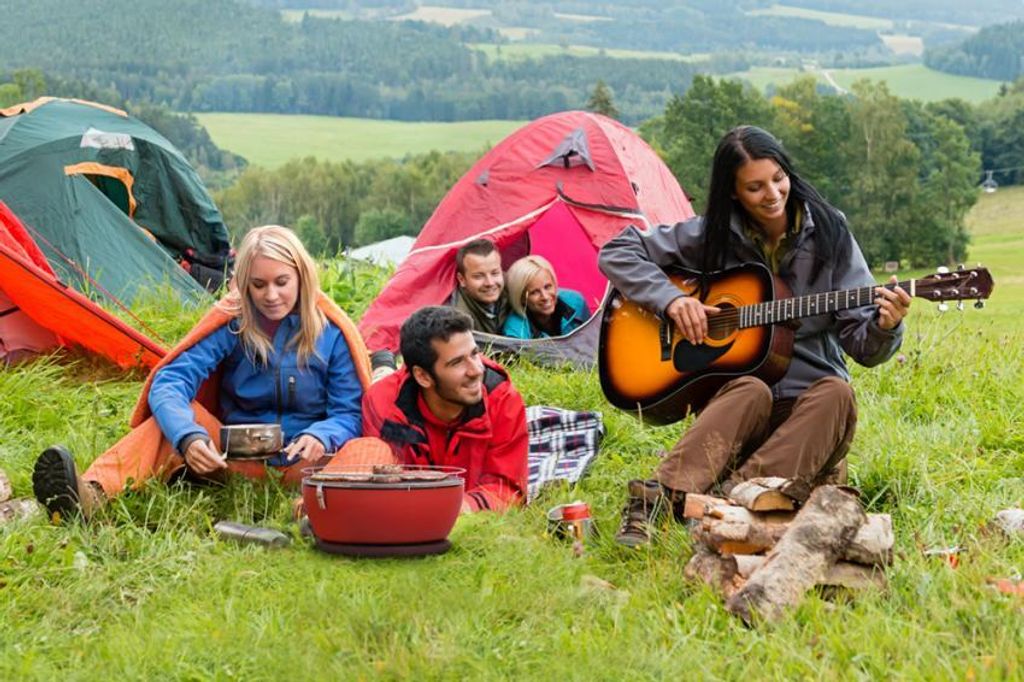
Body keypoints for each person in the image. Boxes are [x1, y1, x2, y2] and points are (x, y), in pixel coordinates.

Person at [598, 125, 912, 547]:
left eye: (778, 178)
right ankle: (655, 502)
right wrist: (672, 301)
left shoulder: (831, 233)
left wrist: (885, 327)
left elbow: (863, 347)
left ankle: (734, 500)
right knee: (750, 388)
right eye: (755, 187)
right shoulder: (712, 235)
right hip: (738, 411)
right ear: (733, 193)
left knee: (837, 392)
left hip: (806, 420)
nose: (773, 194)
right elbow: (617, 252)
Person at [33, 225, 371, 519]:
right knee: (175, 422)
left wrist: (323, 435)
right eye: (258, 285)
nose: (271, 295)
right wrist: (189, 436)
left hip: (309, 461)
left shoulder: (332, 331)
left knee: (371, 449)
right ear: (244, 285)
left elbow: (350, 413)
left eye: (282, 282)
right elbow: (170, 381)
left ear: (302, 276)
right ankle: (91, 494)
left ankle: (313, 510)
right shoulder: (233, 322)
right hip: (235, 455)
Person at [329, 306, 527, 512]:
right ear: (423, 376)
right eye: (457, 362)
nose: (476, 370)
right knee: (368, 448)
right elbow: (378, 474)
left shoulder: (503, 398)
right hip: (404, 503)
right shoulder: (382, 401)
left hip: (465, 506)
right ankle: (319, 511)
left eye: (474, 353)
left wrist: (460, 507)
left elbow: (507, 487)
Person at [502, 255, 590, 339]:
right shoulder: (516, 331)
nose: (545, 297)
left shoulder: (576, 303)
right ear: (521, 298)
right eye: (534, 292)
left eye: (548, 287)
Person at [450, 238, 510, 335]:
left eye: (495, 273)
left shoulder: (515, 290)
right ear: (462, 280)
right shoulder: (456, 319)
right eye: (478, 276)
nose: (490, 283)